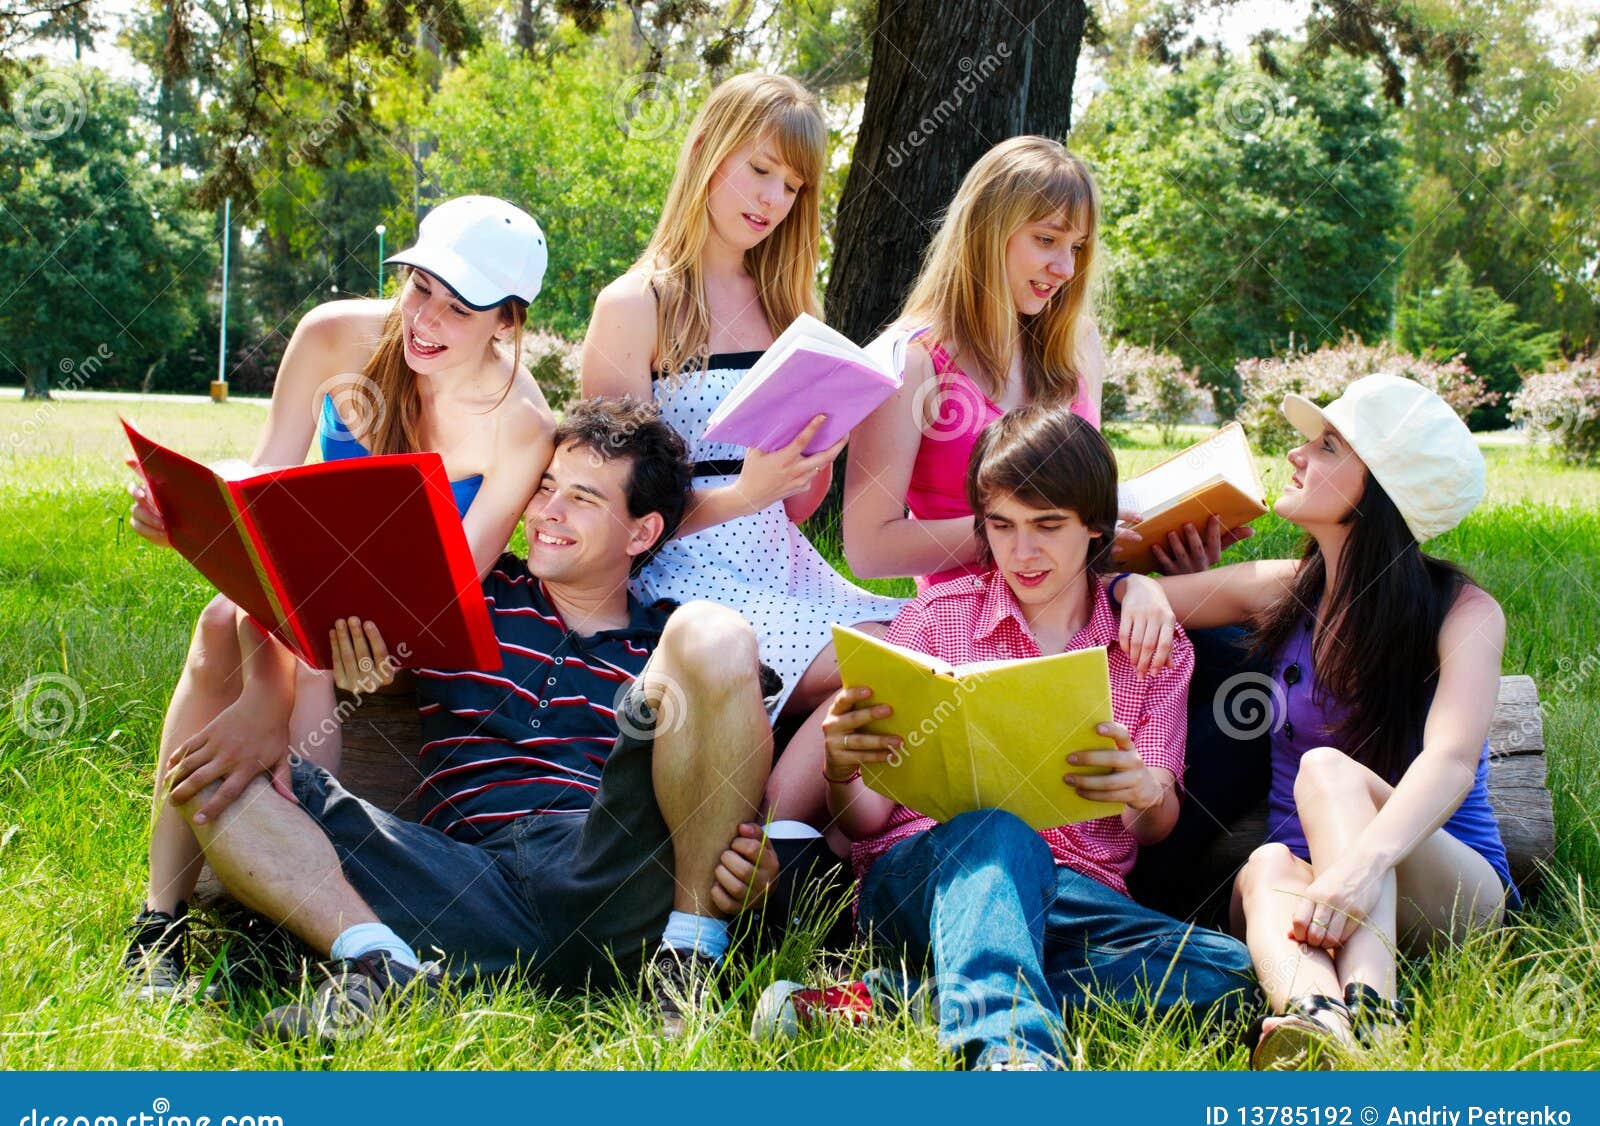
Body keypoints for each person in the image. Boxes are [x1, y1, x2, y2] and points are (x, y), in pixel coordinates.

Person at [165, 399, 780, 1043]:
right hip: (455, 881)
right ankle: (379, 961)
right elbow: (293, 591)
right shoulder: (473, 592)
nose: (547, 513)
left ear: (641, 533)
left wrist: (742, 852)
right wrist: (331, 669)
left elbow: (730, 780)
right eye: (544, 488)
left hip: (607, 871)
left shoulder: (665, 645)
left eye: (583, 499)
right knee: (217, 773)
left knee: (715, 630)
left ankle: (685, 968)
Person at [122, 196, 557, 997]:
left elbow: (447, 595)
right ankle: (160, 922)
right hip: (297, 610)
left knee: (270, 639)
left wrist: (341, 652)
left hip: (397, 653)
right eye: (418, 287)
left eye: (456, 309)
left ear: (506, 322)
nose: (423, 320)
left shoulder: (523, 423)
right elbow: (262, 498)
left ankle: (279, 920)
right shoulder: (332, 336)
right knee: (223, 617)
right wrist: (184, 519)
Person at [772, 407, 1255, 1069]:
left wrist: (1143, 788)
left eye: (1047, 527)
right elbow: (867, 819)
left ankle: (899, 1001)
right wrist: (839, 769)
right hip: (929, 879)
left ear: (1094, 526)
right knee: (998, 831)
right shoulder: (936, 620)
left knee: (1229, 975)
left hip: (1074, 898)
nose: (1022, 553)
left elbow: (1156, 822)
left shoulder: (1149, 648)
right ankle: (1013, 1060)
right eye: (1002, 527)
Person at [1150, 375, 1518, 1069]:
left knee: (1325, 770)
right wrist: (1140, 587)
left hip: (1442, 889)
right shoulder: (1286, 589)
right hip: (1305, 891)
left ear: (1380, 488)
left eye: (1326, 446)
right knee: (1264, 865)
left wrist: (1361, 868)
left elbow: (1450, 757)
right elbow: (1122, 597)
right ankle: (1316, 1019)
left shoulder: (1463, 612)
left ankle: (1374, 1008)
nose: (1296, 455)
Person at [581, 71, 902, 851]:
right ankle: (764, 847)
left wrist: (814, 458)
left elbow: (792, 507)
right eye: (758, 170)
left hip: (777, 554)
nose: (772, 200)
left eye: (792, 185)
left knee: (917, 644)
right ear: (704, 152)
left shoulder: (789, 306)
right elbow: (611, 502)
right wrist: (742, 491)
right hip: (686, 571)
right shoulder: (637, 305)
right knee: (882, 664)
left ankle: (777, 844)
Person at [841, 136, 1249, 594]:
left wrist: (1153, 540)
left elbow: (1086, 500)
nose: (1065, 269)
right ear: (986, 233)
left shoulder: (1076, 342)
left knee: (1251, 617)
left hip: (1085, 602)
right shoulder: (911, 359)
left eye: (1076, 247)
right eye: (1047, 239)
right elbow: (868, 548)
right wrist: (1044, 530)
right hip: (970, 618)